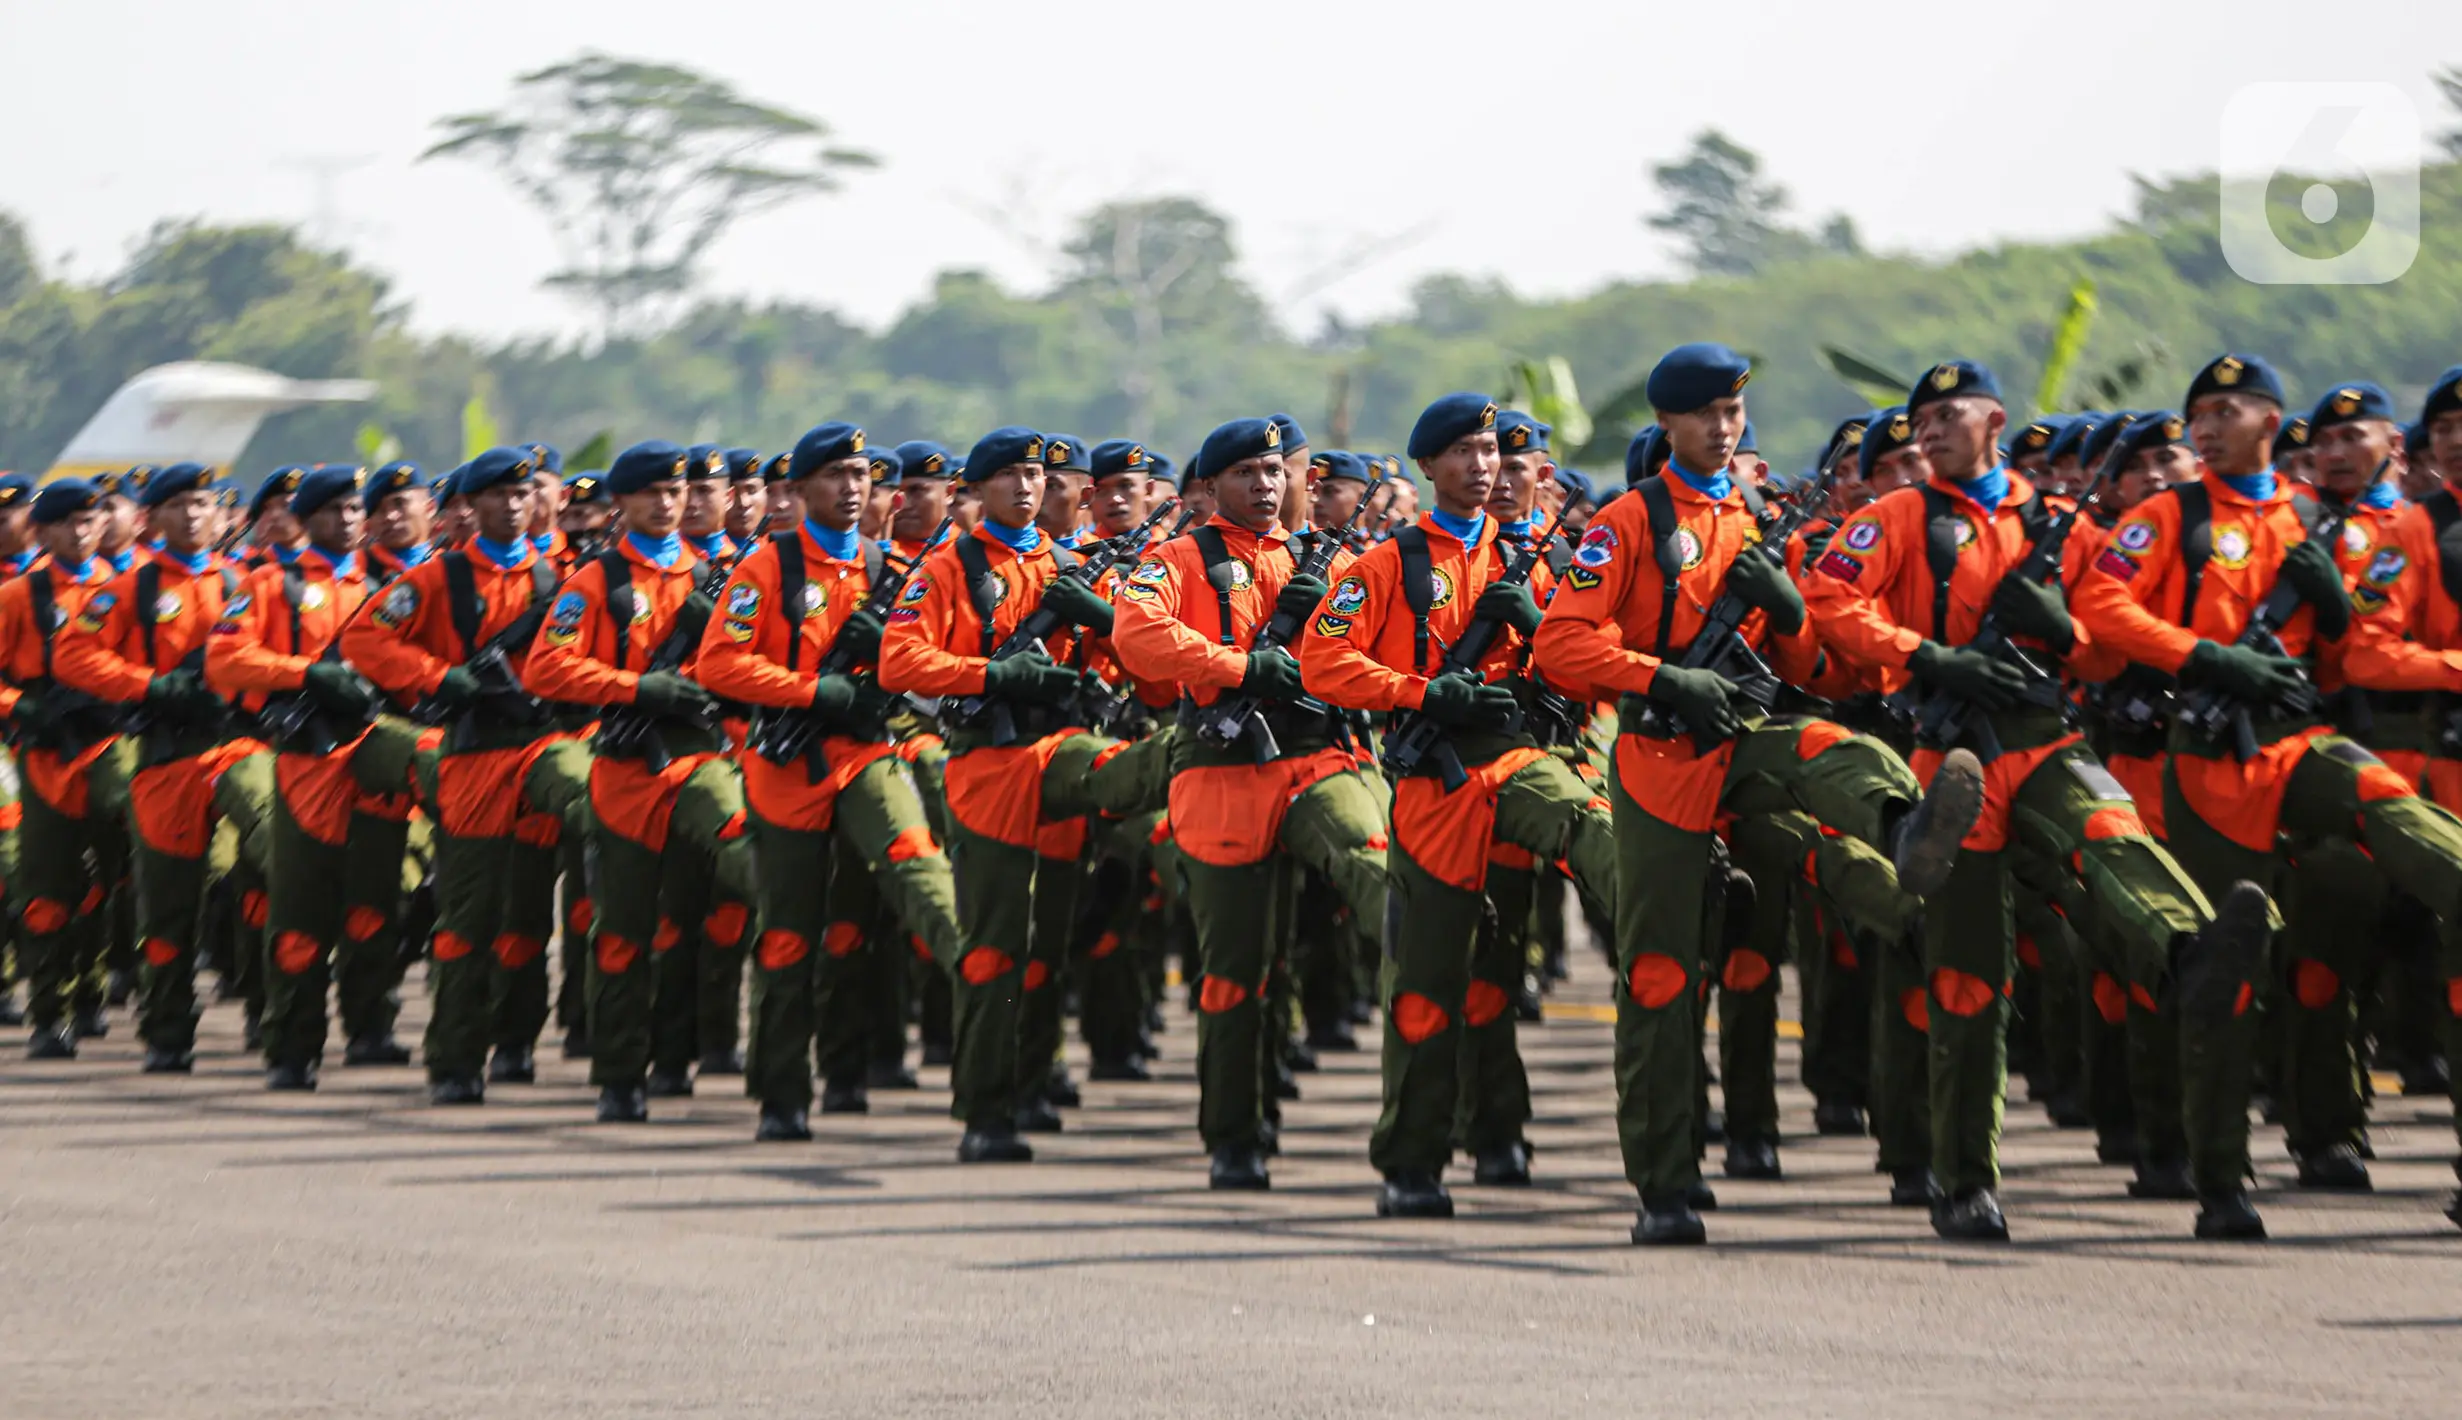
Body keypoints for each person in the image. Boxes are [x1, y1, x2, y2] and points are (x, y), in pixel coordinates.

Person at [1809, 357, 2267, 1242]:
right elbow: (1828, 598)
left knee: (2114, 833)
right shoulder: (1895, 516)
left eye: (1948, 416)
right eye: (1922, 420)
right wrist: (1926, 655)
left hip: (2045, 735)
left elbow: (2104, 648)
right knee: (1966, 978)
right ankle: (1963, 1182)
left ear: (1994, 420)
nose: (1930, 432)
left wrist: (2063, 628)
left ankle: (2188, 952)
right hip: (1951, 755)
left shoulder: (2060, 524)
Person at [1535, 348, 1982, 1244]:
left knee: (1829, 746)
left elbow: (1816, 671)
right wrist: (1663, 677)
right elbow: (1561, 644)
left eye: (1733, 411)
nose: (1723, 426)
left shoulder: (1754, 520)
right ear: (1668, 424)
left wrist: (1787, 609)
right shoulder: (1628, 520)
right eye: (1705, 413)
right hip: (1661, 757)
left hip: (1741, 734)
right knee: (1662, 974)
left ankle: (1905, 827)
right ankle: (1665, 1184)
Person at [1297, 393, 1616, 1220]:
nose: (1483, 468)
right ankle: (1413, 1162)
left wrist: (1538, 623)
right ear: (1429, 467)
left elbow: (1593, 665)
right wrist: (1421, 690)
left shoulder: (1538, 558)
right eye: (1465, 454)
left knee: (1587, 838)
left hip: (1520, 758)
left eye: (1492, 453)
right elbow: (1324, 662)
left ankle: (1500, 1133)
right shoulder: (1388, 563)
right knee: (1430, 986)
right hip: (1436, 780)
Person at [877, 426, 1171, 1163]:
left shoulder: (1071, 567)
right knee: (997, 949)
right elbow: (899, 660)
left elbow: (1146, 667)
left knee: (1048, 946)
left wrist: (1104, 618)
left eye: (1035, 474)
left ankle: (1035, 1081)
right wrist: (991, 675)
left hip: (1062, 751)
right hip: (990, 768)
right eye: (1008, 475)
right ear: (976, 491)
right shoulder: (949, 566)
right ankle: (986, 1109)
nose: (1025, 486)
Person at [1112, 416, 1388, 1190]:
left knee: (1371, 857)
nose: (1265, 486)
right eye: (1245, 474)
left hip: (1315, 758)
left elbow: (1386, 647)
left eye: (1274, 471)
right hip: (1224, 770)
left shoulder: (1329, 561)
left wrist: (1329, 623)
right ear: (1208, 487)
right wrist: (1240, 666)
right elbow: (1137, 637)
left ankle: (1418, 927)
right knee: (1236, 972)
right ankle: (1236, 1135)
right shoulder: (1176, 559)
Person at [698, 422, 971, 1140]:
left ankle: (967, 976)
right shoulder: (768, 568)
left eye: (861, 476)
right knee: (790, 937)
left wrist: (895, 671)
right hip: (788, 766)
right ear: (798, 489)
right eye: (835, 476)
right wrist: (812, 691)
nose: (852, 489)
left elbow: (929, 658)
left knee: (906, 876)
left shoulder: (891, 568)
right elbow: (718, 664)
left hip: (867, 755)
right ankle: (783, 1094)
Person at [340, 447, 585, 1105]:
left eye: (523, 493)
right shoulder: (435, 578)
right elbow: (364, 639)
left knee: (527, 914)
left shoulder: (559, 579)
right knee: (467, 919)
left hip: (541, 746)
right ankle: (454, 1059)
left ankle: (516, 1042)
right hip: (474, 759)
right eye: (498, 494)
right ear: (469, 507)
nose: (513, 504)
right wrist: (439, 677)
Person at [521, 440, 757, 1122]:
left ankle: (675, 1058)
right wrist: (634, 686)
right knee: (622, 932)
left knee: (685, 921)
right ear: (621, 502)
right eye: (651, 492)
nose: (666, 503)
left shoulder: (718, 576)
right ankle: (620, 1074)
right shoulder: (597, 581)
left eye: (674, 491)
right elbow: (547, 668)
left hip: (699, 756)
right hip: (627, 766)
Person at [2295, 364, 2462, 1231]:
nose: (2334, 452)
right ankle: (2326, 1129)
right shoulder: (2392, 531)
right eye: (2448, 427)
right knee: (2335, 949)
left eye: (2350, 437)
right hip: (2368, 755)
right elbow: (2364, 651)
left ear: (2390, 446)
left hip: (2423, 753)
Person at [52, 462, 272, 1074]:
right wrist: (150, 685)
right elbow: (73, 656)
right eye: (178, 505)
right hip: (167, 755)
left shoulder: (247, 582)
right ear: (152, 518)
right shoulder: (128, 591)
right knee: (168, 907)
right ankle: (168, 1030)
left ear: (219, 514)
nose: (193, 515)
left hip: (241, 747)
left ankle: (268, 1012)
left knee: (263, 880)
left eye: (202, 504)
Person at [207, 464, 423, 1086]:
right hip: (306, 761)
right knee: (300, 915)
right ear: (304, 520)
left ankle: (370, 1026)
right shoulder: (271, 584)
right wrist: (304, 674)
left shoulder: (389, 586)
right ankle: (292, 1045)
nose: (347, 520)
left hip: (372, 754)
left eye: (355, 509)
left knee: (374, 904)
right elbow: (225, 658)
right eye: (332, 510)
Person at [1, 478, 130, 1055]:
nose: (80, 531)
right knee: (48, 886)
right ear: (43, 531)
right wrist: (19, 706)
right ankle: (48, 1012)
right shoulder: (18, 596)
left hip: (108, 745)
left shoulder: (126, 589)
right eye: (66, 522)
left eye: (89, 519)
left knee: (104, 879)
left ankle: (91, 996)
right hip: (46, 753)